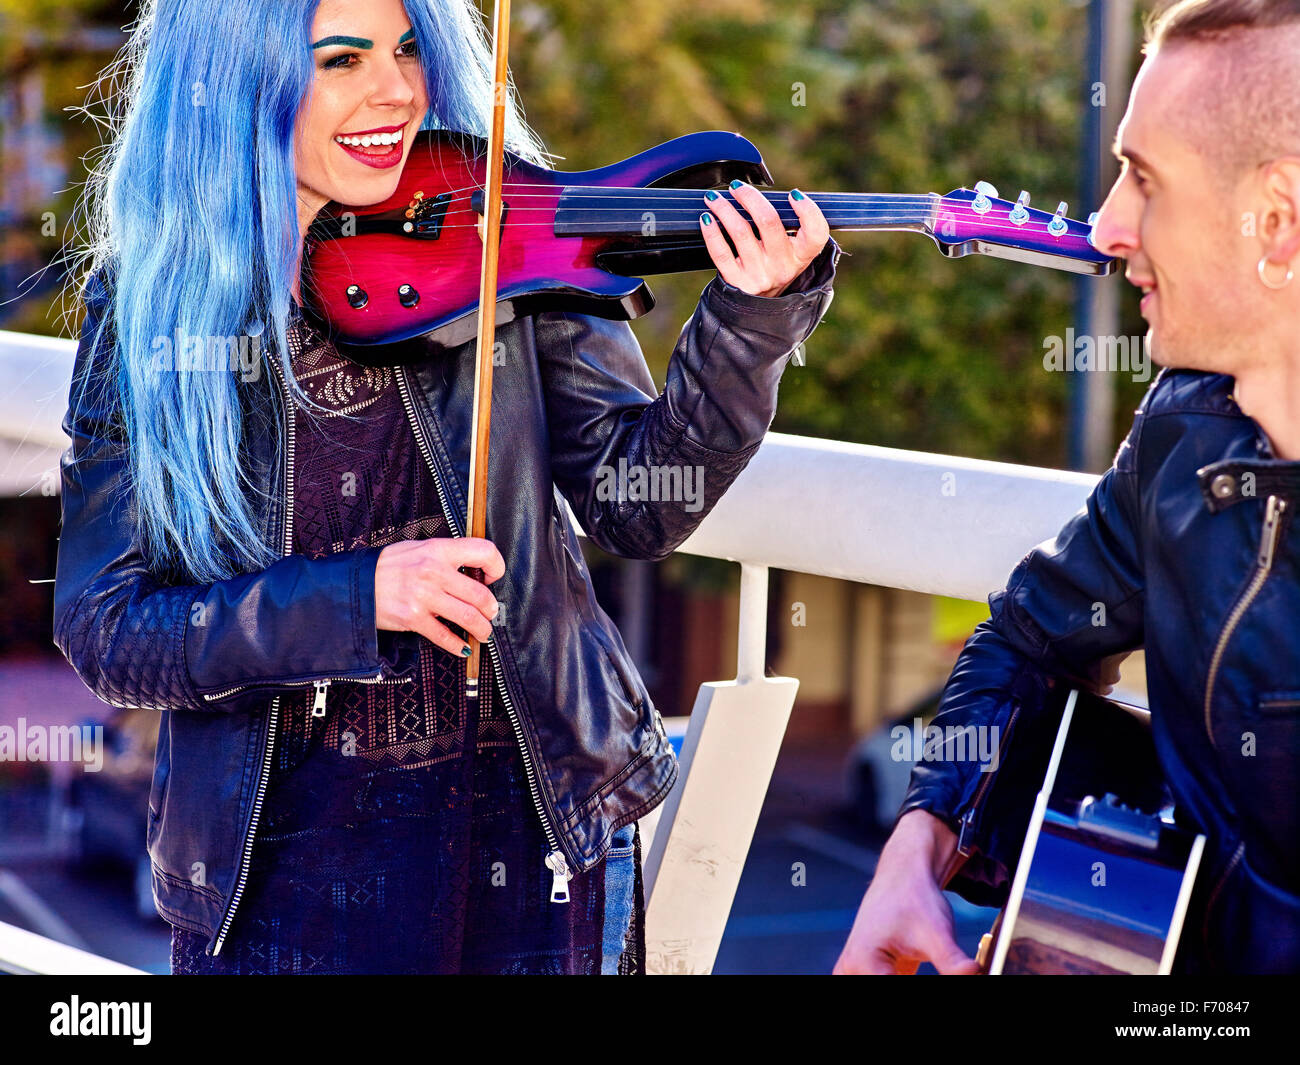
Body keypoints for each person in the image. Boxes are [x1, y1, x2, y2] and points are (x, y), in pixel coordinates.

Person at [53, 0, 837, 974]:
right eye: (341, 60)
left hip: (540, 814)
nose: (396, 89)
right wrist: (354, 600)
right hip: (283, 860)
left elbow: (639, 506)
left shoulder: (496, 223)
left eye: (409, 49)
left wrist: (748, 326)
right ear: (234, 82)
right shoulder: (150, 306)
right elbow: (109, 627)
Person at [835, 0, 1300, 976]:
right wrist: (917, 845)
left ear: (1278, 223)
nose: (1104, 227)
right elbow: (1027, 640)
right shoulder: (1186, 427)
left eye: (1142, 180)